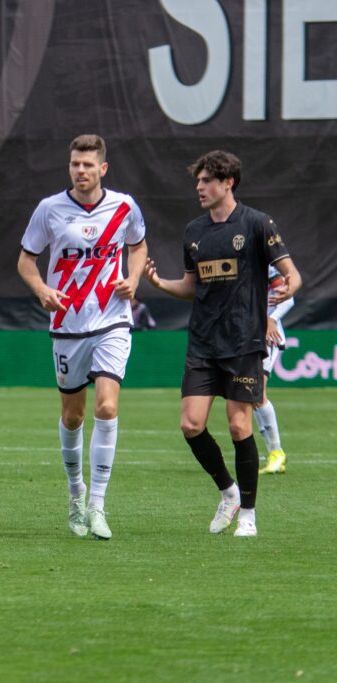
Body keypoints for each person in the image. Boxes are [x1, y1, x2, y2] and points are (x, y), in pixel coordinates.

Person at [144, 150, 301, 537]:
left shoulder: (257, 224)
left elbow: (290, 274)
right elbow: (191, 287)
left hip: (244, 341)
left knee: (237, 425)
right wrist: (161, 284)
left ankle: (248, 514)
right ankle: (228, 491)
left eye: (206, 181)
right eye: (197, 181)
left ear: (227, 182)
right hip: (203, 342)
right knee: (191, 424)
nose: (199, 187)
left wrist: (287, 291)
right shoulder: (194, 232)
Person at [17, 134, 148, 541]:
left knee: (107, 408)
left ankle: (98, 507)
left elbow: (138, 246)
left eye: (89, 164)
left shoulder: (124, 206)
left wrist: (133, 277)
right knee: (73, 415)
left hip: (112, 321)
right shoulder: (49, 209)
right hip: (68, 325)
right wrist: (41, 290)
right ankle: (76, 494)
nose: (81, 170)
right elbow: (26, 260)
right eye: (76, 163)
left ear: (103, 168)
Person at [255, 266, 295, 474]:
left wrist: (271, 319)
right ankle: (274, 452)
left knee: (257, 393)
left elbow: (289, 298)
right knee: (251, 396)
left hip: (266, 334)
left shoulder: (267, 267)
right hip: (246, 334)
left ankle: (276, 452)